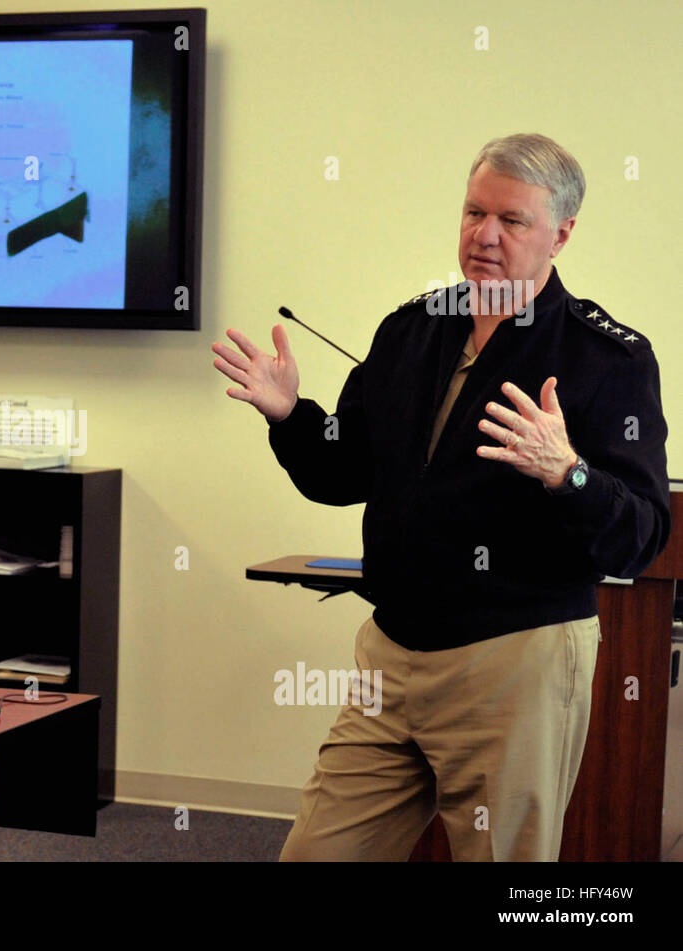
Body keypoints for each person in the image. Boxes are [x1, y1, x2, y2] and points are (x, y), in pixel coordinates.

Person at [213, 133, 670, 861]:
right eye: (472, 212)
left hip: (514, 660)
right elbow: (345, 472)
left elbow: (641, 534)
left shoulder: (606, 357)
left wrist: (566, 472)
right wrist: (290, 415)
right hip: (391, 651)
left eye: (511, 221)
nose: (484, 236)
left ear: (562, 233)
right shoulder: (411, 330)